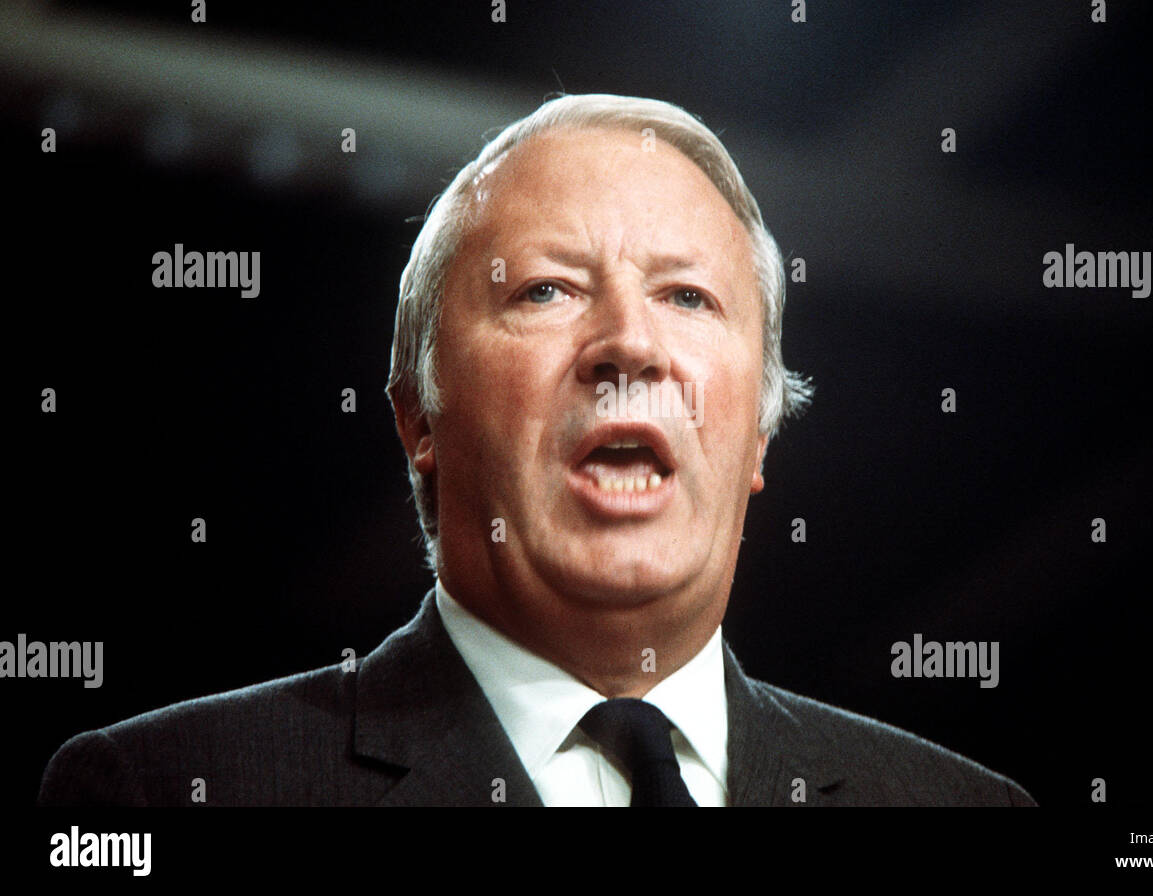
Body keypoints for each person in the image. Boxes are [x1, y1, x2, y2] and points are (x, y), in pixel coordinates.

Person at [40, 94, 1034, 807]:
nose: (630, 345)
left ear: (759, 431)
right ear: (417, 420)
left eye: (687, 295)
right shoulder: (164, 788)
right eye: (545, 290)